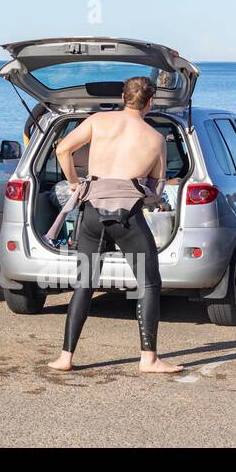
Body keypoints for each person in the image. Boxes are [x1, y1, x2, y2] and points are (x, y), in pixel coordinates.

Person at [47, 76, 182, 374]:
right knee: (148, 283)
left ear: (123, 96)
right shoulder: (156, 139)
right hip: (128, 217)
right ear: (150, 102)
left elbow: (61, 150)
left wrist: (73, 183)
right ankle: (149, 359)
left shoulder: (98, 121)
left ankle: (65, 357)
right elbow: (156, 191)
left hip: (92, 212)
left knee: (84, 284)